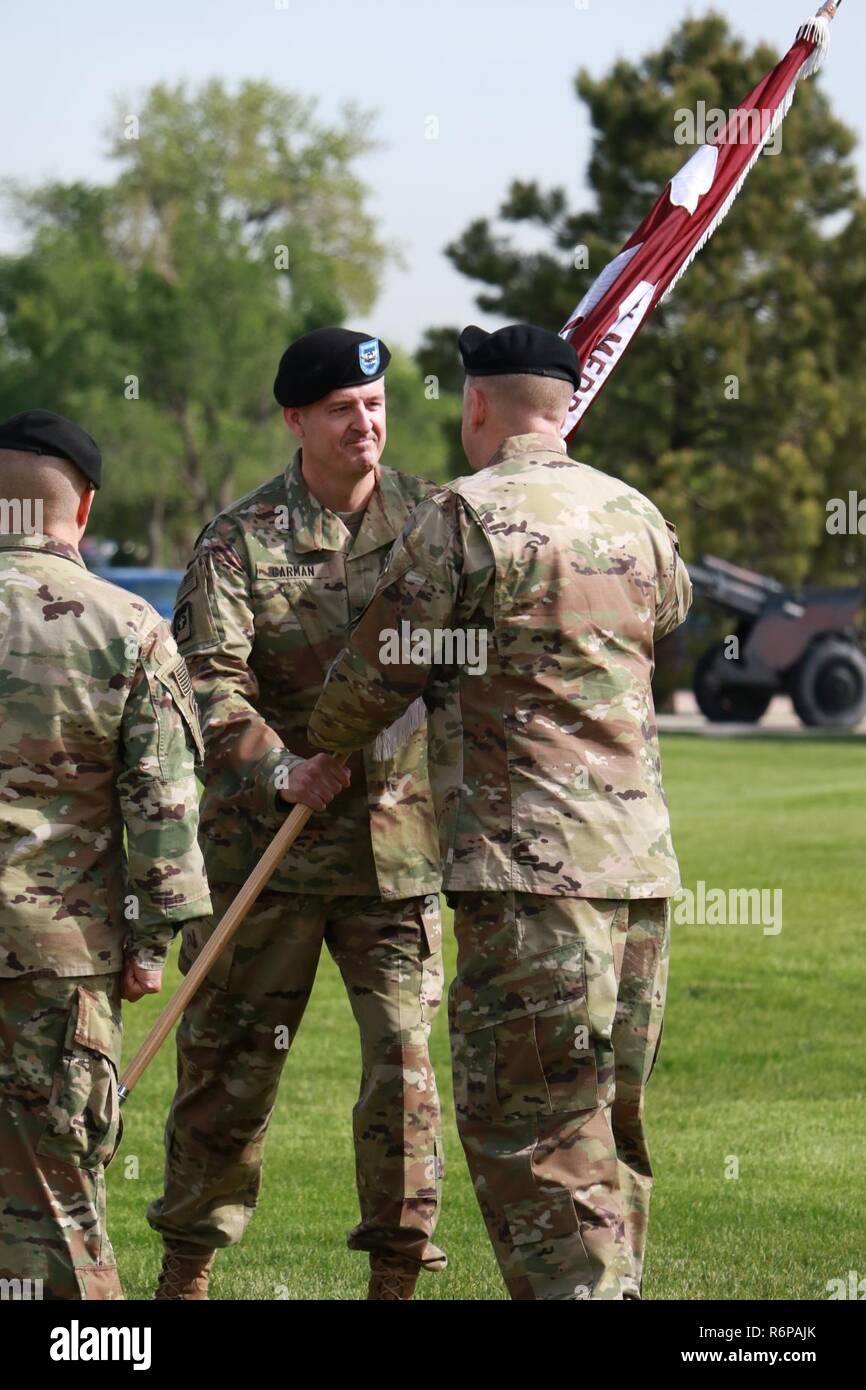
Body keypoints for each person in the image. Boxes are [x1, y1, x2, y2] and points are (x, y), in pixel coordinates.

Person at [307, 323, 693, 1300]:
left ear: (476, 403)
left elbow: (371, 676)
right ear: (560, 408)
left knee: (534, 1136)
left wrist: (326, 732)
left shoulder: (460, 518)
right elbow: (669, 614)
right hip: (639, 876)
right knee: (606, 1129)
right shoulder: (634, 513)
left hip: (528, 877)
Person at [148, 328, 449, 1301]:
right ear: (295, 421)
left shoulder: (433, 524)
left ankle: (395, 1279)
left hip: (394, 857)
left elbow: (473, 658)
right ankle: (186, 1271)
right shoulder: (240, 539)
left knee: (403, 1068)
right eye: (339, 410)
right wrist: (280, 769)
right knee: (228, 1072)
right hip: (262, 855)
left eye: (373, 406)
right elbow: (202, 681)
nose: (363, 424)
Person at [0, 409, 212, 1300]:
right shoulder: (127, 626)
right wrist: (151, 948)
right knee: (56, 1210)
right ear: (82, 508)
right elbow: (162, 806)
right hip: (59, 963)